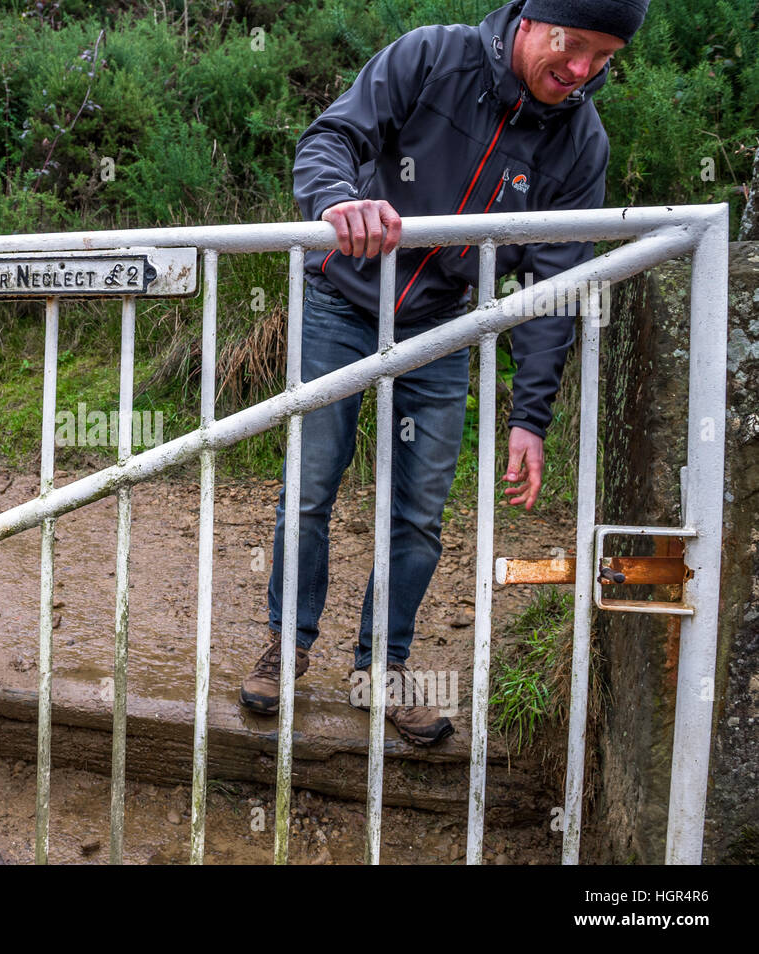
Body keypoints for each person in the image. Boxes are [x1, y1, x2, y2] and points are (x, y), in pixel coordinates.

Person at [239, 0, 648, 744]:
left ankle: (379, 670)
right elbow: (330, 136)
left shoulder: (581, 142)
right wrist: (339, 201)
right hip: (338, 295)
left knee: (420, 513)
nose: (583, 71)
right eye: (573, 44)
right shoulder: (433, 56)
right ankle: (287, 646)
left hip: (442, 324)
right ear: (532, 19)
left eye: (605, 56)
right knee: (310, 485)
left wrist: (530, 418)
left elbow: (554, 289)